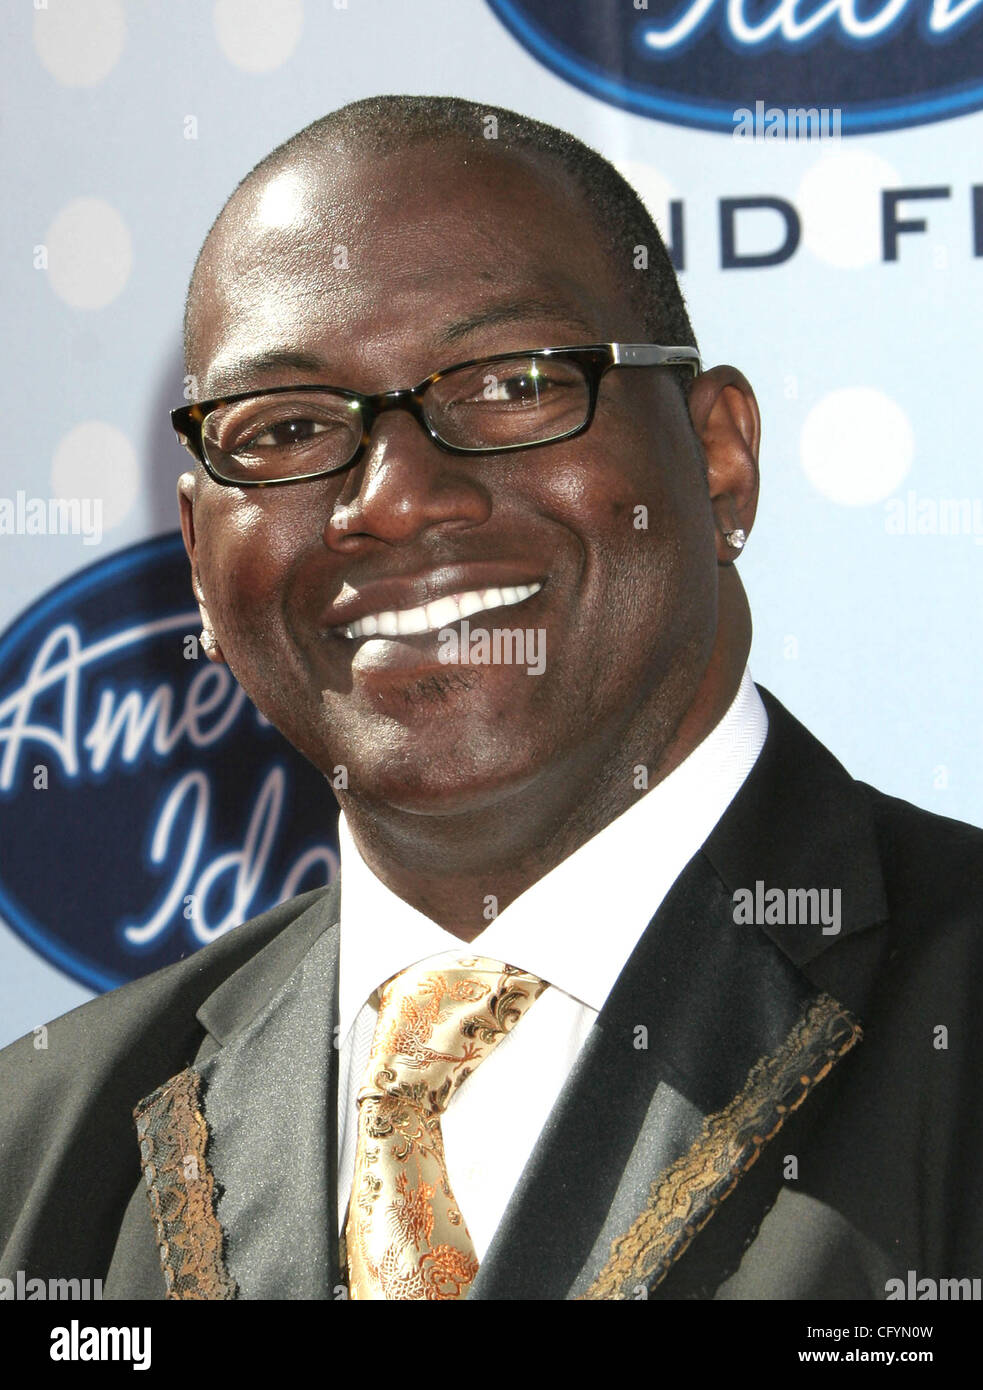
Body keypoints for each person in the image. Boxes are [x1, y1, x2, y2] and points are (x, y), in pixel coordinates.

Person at [2, 95, 981, 1302]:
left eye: (511, 383)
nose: (396, 498)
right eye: (290, 426)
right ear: (202, 560)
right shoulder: (39, 1147)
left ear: (719, 460)